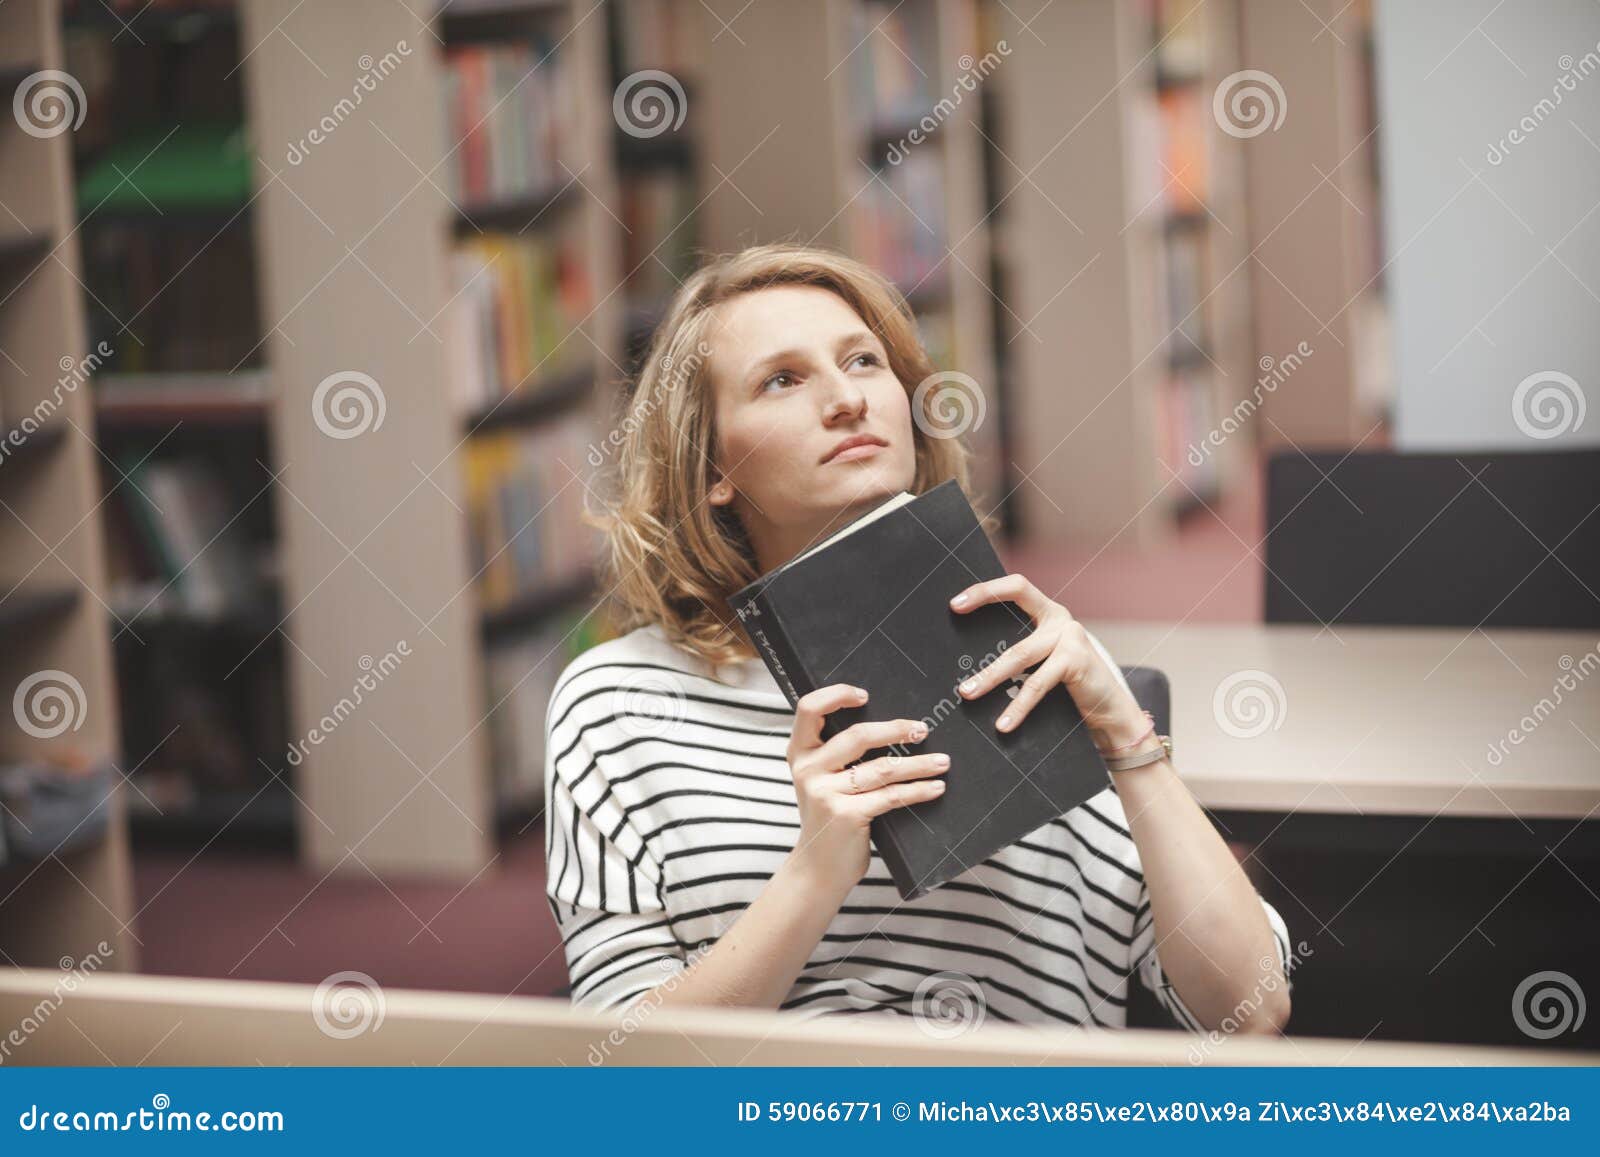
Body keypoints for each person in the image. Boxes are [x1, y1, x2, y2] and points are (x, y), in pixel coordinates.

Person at [543, 243, 1291, 1033]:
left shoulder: (1037, 659)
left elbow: (1250, 1010)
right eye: (782, 380)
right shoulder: (617, 704)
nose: (845, 400)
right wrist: (811, 878)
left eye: (864, 362)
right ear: (711, 467)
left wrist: (1129, 742)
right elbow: (620, 1064)